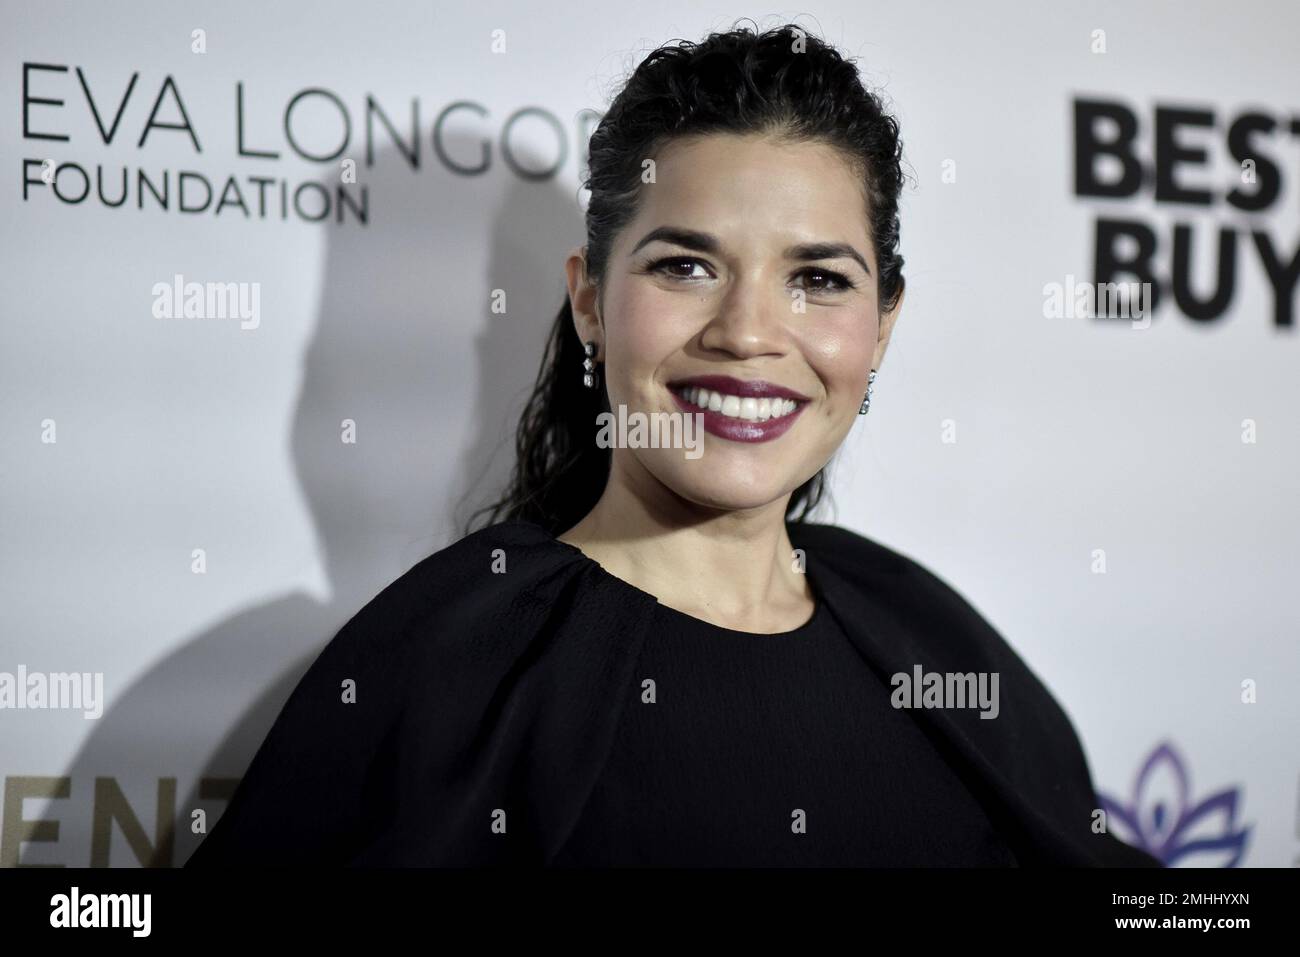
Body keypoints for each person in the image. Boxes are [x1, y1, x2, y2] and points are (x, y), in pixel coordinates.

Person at [186, 21, 1160, 867]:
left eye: (817, 279)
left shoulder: (934, 639)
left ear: (883, 324)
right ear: (588, 300)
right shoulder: (453, 662)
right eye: (688, 265)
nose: (747, 332)